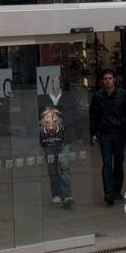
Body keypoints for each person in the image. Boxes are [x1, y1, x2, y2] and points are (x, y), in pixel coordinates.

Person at [90, 68, 126, 206]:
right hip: (105, 134)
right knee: (106, 163)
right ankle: (108, 192)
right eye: (105, 79)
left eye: (110, 78)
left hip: (119, 134)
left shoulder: (123, 94)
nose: (108, 81)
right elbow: (93, 116)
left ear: (114, 80)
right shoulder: (97, 96)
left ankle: (117, 190)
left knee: (118, 163)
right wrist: (93, 133)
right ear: (102, 81)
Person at [38, 73, 80, 208]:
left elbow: (74, 115)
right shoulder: (44, 99)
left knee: (64, 165)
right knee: (52, 167)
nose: (55, 84)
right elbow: (39, 118)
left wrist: (66, 125)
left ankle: (67, 194)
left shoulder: (68, 97)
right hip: (49, 138)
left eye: (57, 81)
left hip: (65, 137)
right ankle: (56, 193)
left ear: (61, 83)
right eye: (53, 82)